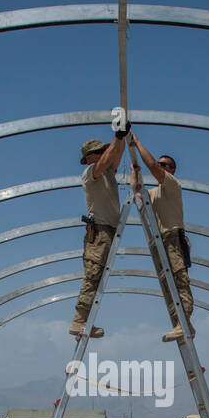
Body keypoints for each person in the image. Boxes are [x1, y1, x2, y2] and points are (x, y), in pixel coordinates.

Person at [130, 134, 194, 342]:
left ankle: (183, 324)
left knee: (179, 281)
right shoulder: (154, 193)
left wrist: (137, 143)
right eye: (160, 164)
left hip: (173, 237)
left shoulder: (172, 185)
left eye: (164, 165)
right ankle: (183, 326)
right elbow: (137, 194)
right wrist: (134, 171)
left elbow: (152, 168)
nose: (160, 167)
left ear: (172, 170)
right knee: (168, 285)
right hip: (160, 240)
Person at [72, 124, 130, 339]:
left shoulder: (106, 172)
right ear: (90, 157)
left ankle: (84, 321)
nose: (105, 154)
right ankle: (80, 321)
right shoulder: (91, 173)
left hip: (108, 230)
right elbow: (108, 158)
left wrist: (121, 138)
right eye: (100, 152)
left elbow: (115, 154)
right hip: (99, 232)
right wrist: (117, 136)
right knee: (93, 275)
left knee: (97, 278)